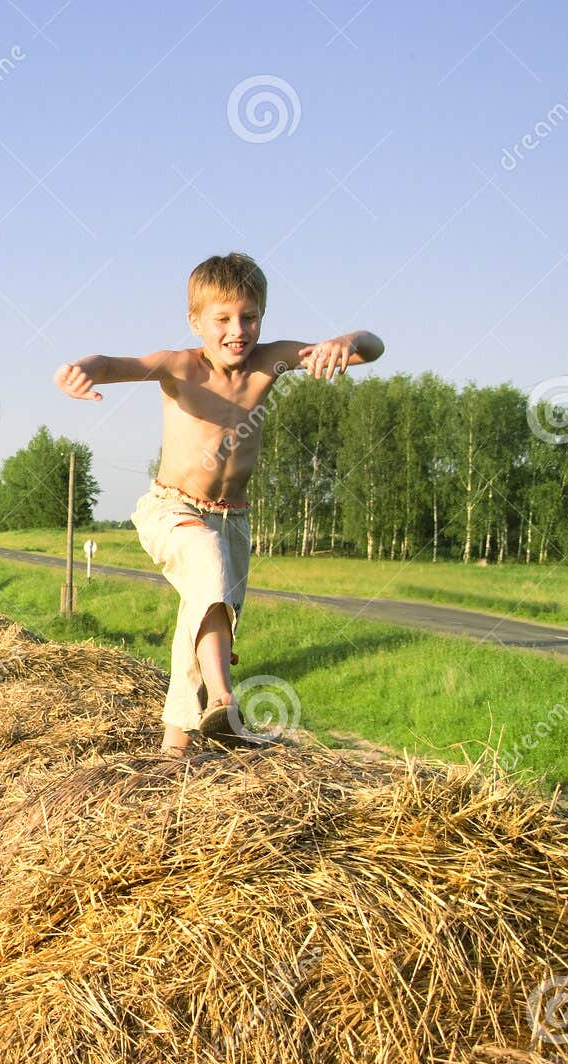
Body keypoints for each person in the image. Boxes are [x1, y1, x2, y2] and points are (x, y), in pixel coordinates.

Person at [53, 252, 383, 755]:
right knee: (205, 565)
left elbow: (372, 349)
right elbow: (116, 364)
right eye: (223, 319)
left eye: (249, 317)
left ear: (262, 318)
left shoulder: (269, 362)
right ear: (195, 321)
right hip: (172, 509)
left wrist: (342, 341)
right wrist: (78, 371)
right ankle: (226, 698)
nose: (238, 330)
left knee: (201, 626)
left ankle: (174, 752)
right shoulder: (180, 366)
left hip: (234, 520)